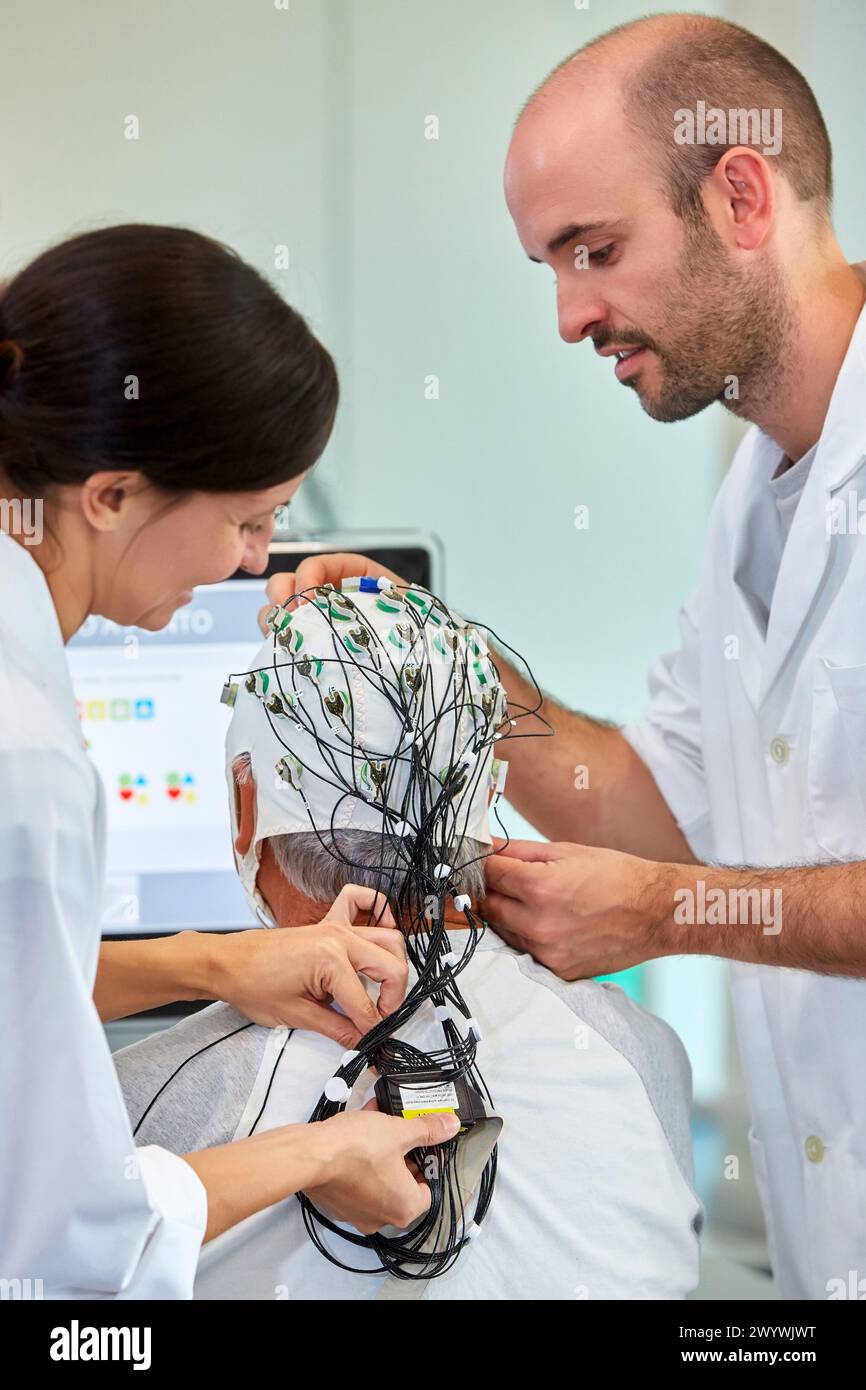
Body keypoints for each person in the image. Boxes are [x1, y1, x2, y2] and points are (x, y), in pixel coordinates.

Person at [262, 15, 866, 1301]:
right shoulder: (753, 491)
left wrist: (660, 915)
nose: (567, 313)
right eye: (548, 263)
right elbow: (665, 812)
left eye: (594, 251)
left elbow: (672, 883)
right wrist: (465, 670)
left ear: (739, 194)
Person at [0, 223, 457, 1300]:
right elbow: (63, 1247)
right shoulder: (25, 760)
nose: (256, 561)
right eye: (250, 521)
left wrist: (210, 964)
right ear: (110, 495)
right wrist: (327, 1151)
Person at [113, 581, 702, 1300]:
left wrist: (195, 963)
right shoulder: (641, 1056)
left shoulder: (143, 1097)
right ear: (488, 799)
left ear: (246, 807)